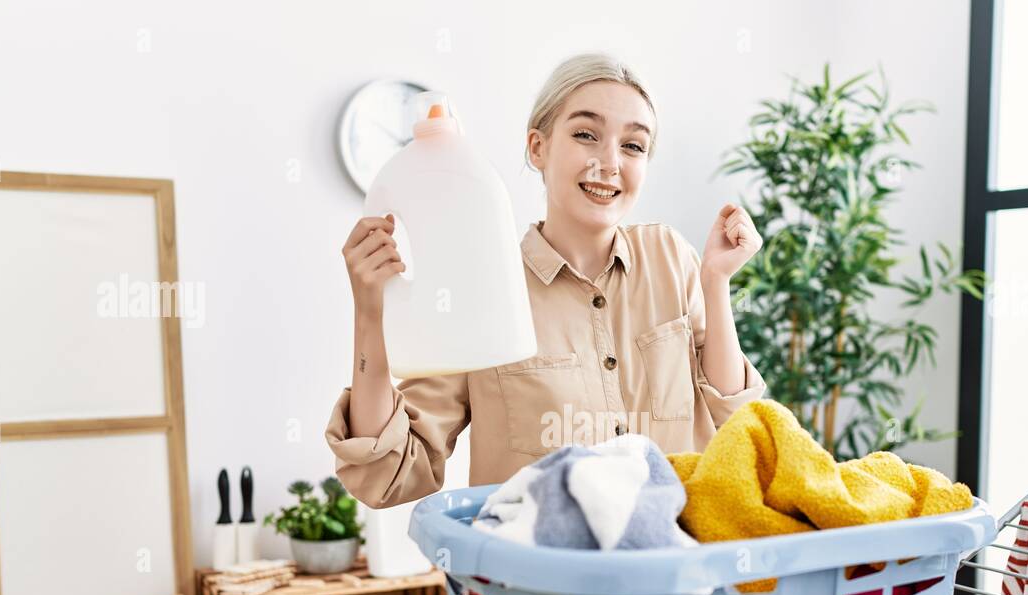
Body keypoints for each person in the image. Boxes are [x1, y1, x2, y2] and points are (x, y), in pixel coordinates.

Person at [326, 52, 767, 510]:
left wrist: (716, 283)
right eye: (585, 135)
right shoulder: (484, 289)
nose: (609, 163)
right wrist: (370, 309)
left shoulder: (672, 257)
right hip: (539, 574)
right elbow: (390, 474)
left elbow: (733, 424)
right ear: (537, 147)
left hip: (671, 569)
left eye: (633, 145)